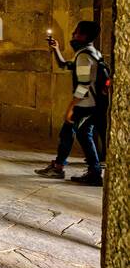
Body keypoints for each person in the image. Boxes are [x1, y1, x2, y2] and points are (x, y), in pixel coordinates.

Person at [36, 19, 107, 186]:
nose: (73, 34)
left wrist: (71, 106)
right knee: (79, 135)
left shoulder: (84, 56)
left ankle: (64, 168)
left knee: (72, 134)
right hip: (92, 104)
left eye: (76, 32)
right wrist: (56, 50)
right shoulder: (92, 52)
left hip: (84, 105)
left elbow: (83, 84)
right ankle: (90, 171)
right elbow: (66, 65)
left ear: (83, 35)